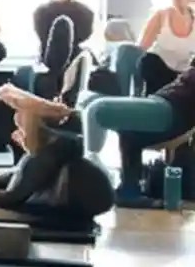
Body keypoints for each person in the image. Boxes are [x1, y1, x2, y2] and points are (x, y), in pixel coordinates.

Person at [0, 83, 113, 218]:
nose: (16, 135)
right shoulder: (61, 141)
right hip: (85, 193)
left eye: (20, 128)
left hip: (77, 205)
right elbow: (10, 177)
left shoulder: (49, 154)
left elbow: (10, 199)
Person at [83, 66, 195, 202]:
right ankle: (129, 191)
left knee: (96, 109)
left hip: (169, 110)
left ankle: (90, 166)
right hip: (164, 104)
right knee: (128, 131)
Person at [135, 0, 195, 95]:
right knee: (149, 61)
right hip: (158, 68)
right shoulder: (161, 15)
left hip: (182, 75)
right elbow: (141, 48)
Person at [32, 0, 94, 65]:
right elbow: (44, 38)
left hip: (74, 63)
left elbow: (82, 36)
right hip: (46, 63)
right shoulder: (41, 12)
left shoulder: (86, 14)